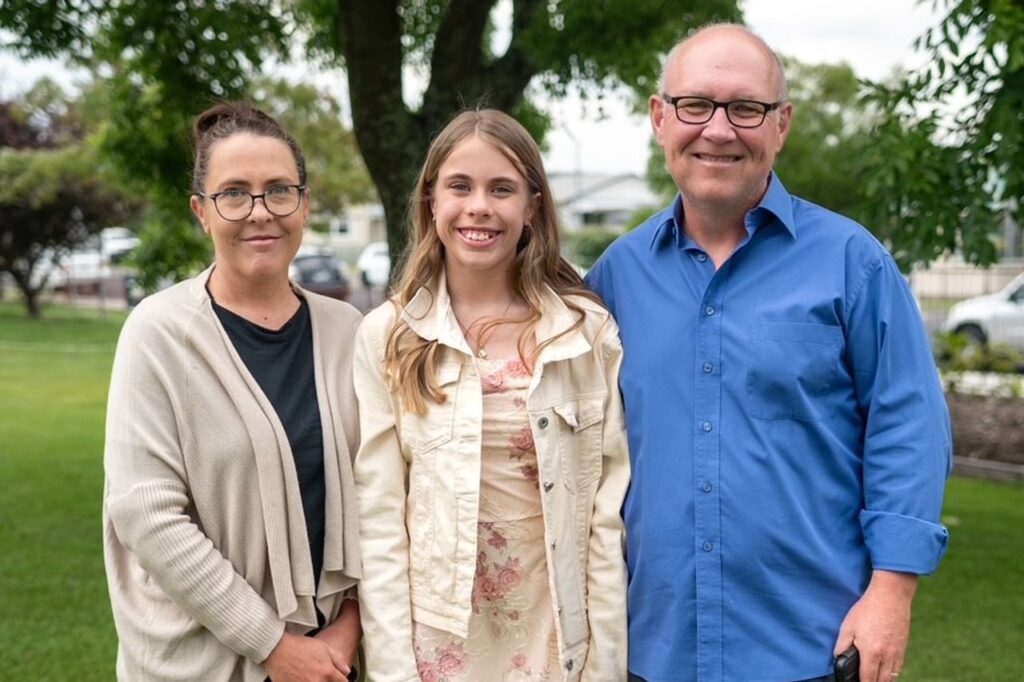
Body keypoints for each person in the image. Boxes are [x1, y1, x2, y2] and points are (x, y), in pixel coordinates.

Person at [586, 24, 951, 682]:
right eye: (696, 105)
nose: (718, 129)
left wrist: (892, 594)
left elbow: (909, 428)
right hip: (653, 647)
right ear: (660, 118)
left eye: (746, 108)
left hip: (811, 648)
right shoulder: (613, 279)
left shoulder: (854, 264)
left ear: (781, 125)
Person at [352, 109, 629, 681]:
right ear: (431, 201)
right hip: (440, 645)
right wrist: (393, 671)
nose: (479, 206)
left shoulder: (585, 334)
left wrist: (604, 665)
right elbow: (379, 524)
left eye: (501, 189)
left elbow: (606, 521)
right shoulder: (389, 337)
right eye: (460, 186)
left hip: (557, 637)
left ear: (531, 207)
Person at [103, 101, 363, 681]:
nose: (260, 211)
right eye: (234, 194)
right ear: (201, 211)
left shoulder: (348, 332)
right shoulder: (158, 334)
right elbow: (147, 515)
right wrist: (273, 646)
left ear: (304, 204)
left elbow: (384, 491)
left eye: (279, 190)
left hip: (332, 659)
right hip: (204, 663)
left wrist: (350, 625)